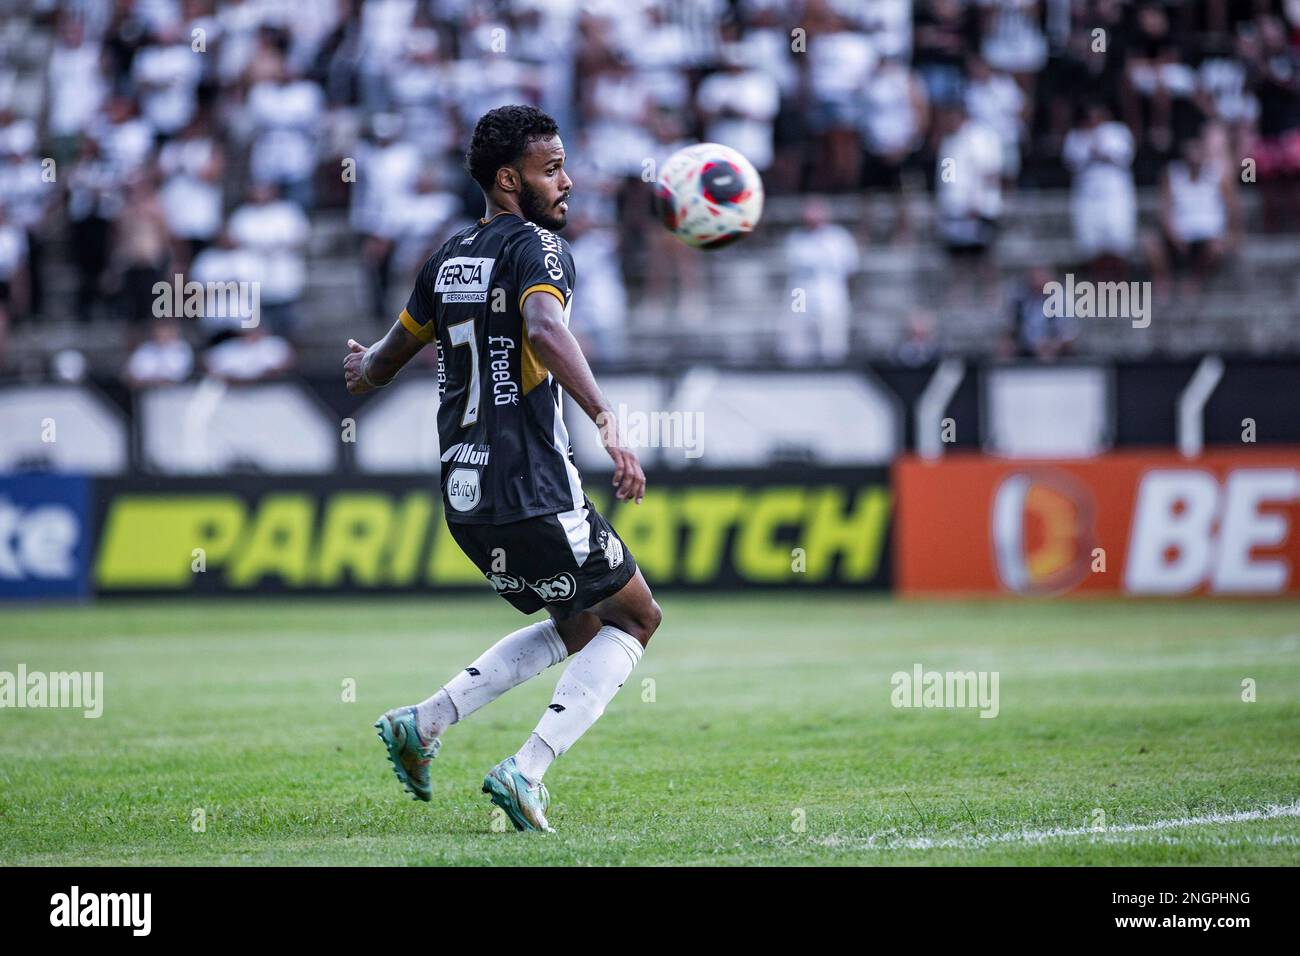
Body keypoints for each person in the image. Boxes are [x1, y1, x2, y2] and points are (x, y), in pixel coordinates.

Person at [345, 105, 661, 833]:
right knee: (639, 618)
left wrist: (360, 367)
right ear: (510, 179)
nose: (568, 181)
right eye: (553, 169)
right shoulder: (538, 251)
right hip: (535, 485)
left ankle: (423, 723)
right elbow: (546, 328)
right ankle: (526, 771)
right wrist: (609, 422)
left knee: (579, 624)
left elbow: (380, 365)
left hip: (466, 496)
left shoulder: (445, 258)